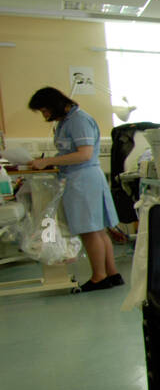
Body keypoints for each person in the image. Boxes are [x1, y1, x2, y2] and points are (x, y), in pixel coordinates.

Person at [27, 87, 122, 292]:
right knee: (98, 229)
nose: (45, 116)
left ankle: (99, 277)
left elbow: (85, 154)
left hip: (83, 179)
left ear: (55, 105)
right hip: (80, 178)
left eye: (45, 110)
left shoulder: (78, 121)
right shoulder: (66, 122)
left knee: (90, 231)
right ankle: (112, 273)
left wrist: (50, 161)